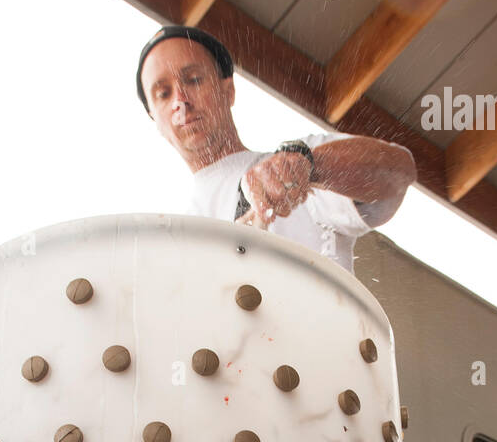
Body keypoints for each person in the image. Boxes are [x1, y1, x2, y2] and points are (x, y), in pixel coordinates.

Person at [136, 25, 416, 275]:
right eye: (163, 93)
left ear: (228, 90)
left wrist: (308, 166)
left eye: (194, 79)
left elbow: (399, 171)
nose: (180, 101)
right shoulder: (173, 246)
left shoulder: (297, 162)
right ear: (153, 119)